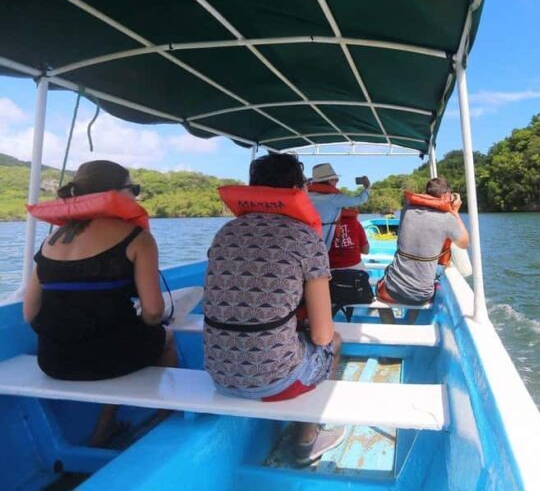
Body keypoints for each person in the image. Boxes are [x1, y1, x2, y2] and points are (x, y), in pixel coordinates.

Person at [23, 160, 176, 446]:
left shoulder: (50, 242)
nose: (136, 196)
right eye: (134, 189)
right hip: (110, 358)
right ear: (116, 194)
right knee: (166, 339)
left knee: (116, 341)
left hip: (54, 361)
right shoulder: (138, 239)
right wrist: (151, 321)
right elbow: (154, 312)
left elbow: (29, 313)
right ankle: (164, 423)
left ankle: (103, 431)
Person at [204, 153, 344, 466]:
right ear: (299, 189)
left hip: (218, 372)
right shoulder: (306, 238)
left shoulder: (226, 232)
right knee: (334, 343)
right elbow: (322, 336)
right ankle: (307, 441)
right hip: (273, 382)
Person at [377, 178, 469, 324]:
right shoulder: (448, 219)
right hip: (422, 295)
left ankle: (391, 325)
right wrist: (455, 211)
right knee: (430, 278)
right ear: (446, 196)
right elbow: (464, 243)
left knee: (379, 295)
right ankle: (409, 324)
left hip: (392, 291)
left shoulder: (406, 210)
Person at [306, 163, 370, 248]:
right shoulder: (334, 199)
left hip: (305, 237)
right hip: (321, 243)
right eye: (335, 179)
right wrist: (367, 187)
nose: (337, 182)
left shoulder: (305, 195)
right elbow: (359, 200)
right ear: (329, 181)